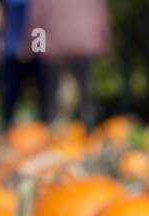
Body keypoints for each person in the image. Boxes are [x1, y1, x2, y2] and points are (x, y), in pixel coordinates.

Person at [26, 0, 111, 130]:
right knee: (84, 92)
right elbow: (99, 13)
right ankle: (87, 129)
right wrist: (103, 41)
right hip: (83, 42)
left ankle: (51, 129)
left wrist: (35, 47)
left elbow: (36, 18)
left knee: (51, 95)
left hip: (54, 45)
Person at [0, 0, 40, 131]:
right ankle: (6, 127)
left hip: (38, 47)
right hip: (11, 46)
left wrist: (32, 45)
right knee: (9, 92)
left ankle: (45, 128)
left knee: (43, 93)